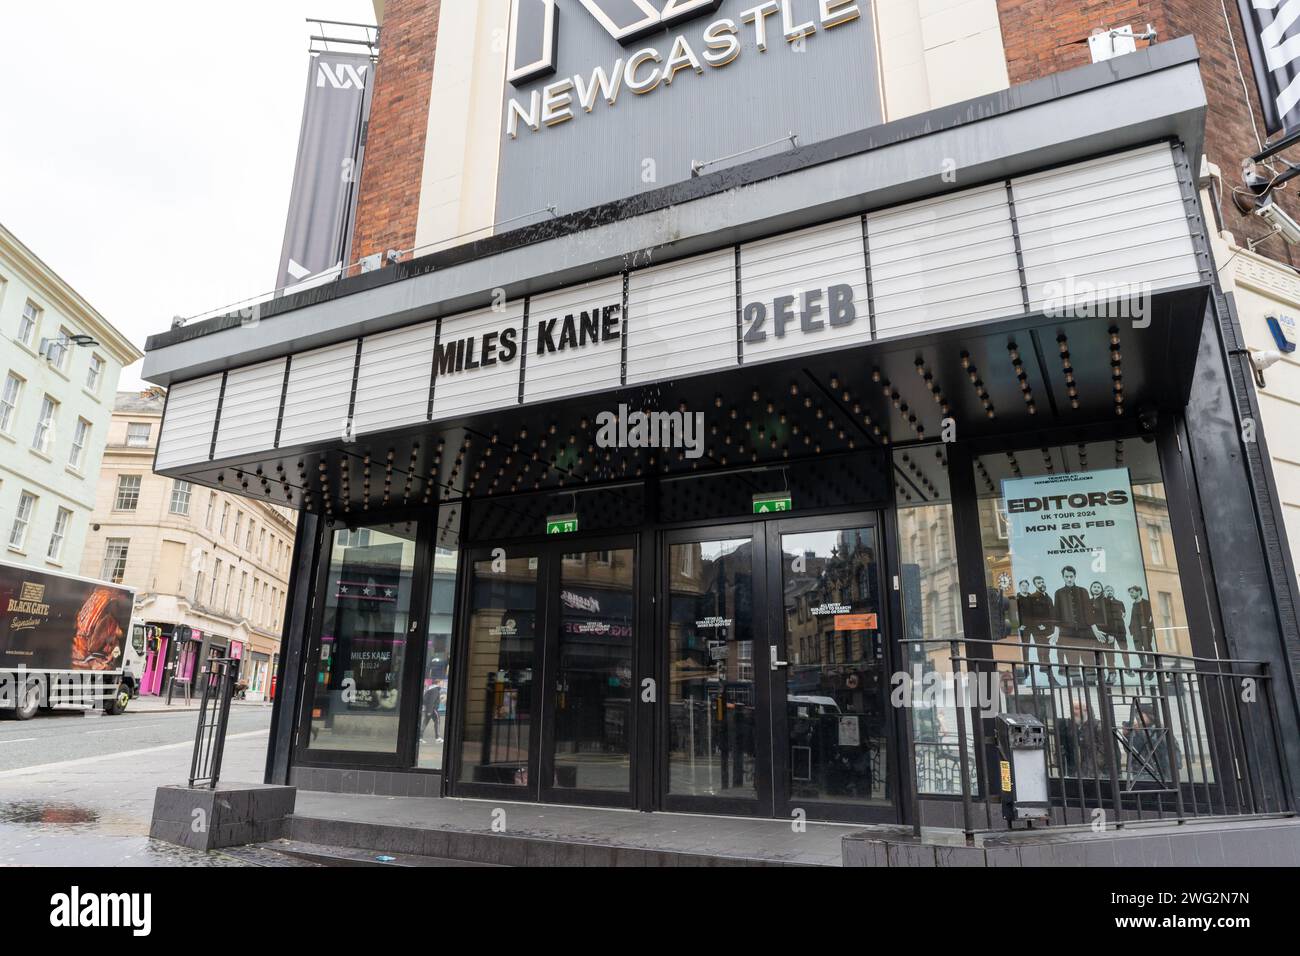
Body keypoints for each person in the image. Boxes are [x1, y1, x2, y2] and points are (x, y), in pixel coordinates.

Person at [1051, 566, 1105, 674]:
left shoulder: (1083, 591)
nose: (1069, 579)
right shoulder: (1059, 593)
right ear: (1063, 577)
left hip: (1085, 632)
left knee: (1089, 659)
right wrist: (1056, 632)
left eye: (1071, 576)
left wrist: (1095, 630)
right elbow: (1057, 613)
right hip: (1068, 633)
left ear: (1075, 576)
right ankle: (1077, 687)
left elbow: (1088, 612)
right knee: (1072, 660)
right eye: (1066, 577)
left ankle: (1091, 685)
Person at [1128, 586, 1156, 654]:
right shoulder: (1134, 604)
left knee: (1147, 648)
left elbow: (1153, 617)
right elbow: (1133, 618)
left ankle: (1150, 664)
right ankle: (1143, 664)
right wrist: (1131, 629)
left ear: (1139, 592)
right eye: (1130, 593)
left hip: (1145, 630)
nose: (1131, 594)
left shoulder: (1147, 603)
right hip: (1136, 632)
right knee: (1138, 649)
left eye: (1132, 592)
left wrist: (1148, 626)